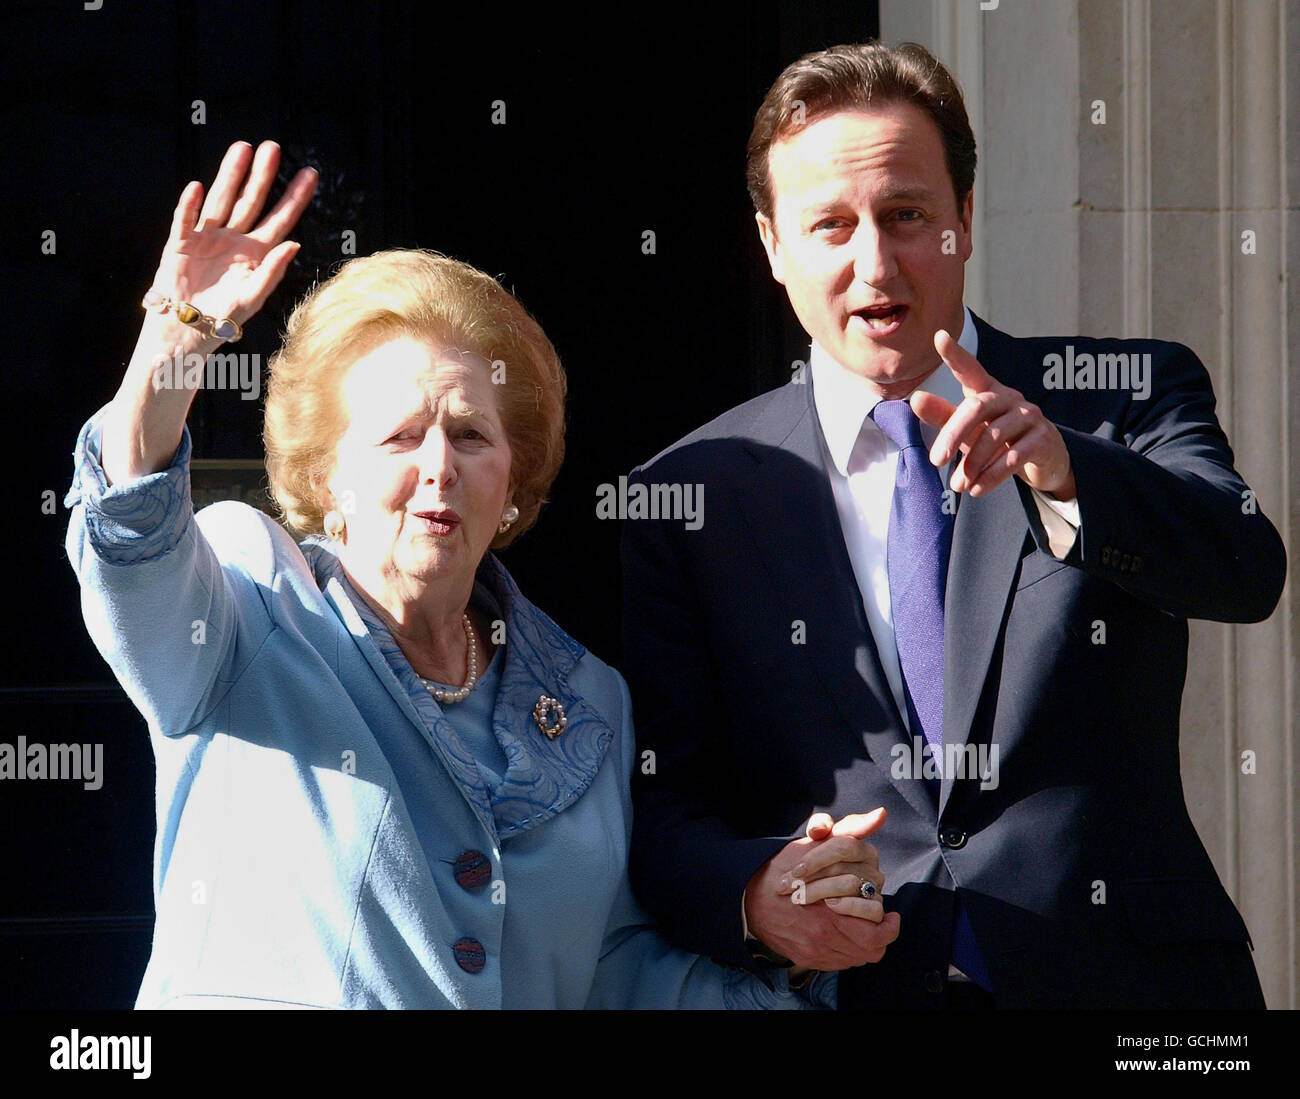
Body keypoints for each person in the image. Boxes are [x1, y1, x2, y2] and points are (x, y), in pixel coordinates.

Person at [64, 139, 847, 1009]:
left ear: (512, 482)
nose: (439, 464)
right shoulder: (251, 602)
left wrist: (792, 934)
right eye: (400, 436)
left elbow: (615, 972)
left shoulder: (589, 701)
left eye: (471, 435)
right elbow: (133, 551)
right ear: (328, 476)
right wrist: (174, 343)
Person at [621, 41, 1287, 1009]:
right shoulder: (693, 494)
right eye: (829, 226)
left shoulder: (1119, 399)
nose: (872, 263)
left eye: (905, 216)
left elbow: (1244, 567)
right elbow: (663, 804)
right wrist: (754, 896)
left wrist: (1063, 469)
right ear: (771, 246)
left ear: (964, 220)